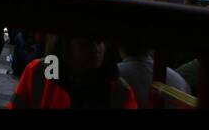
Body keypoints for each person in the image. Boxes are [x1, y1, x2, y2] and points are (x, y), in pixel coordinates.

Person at [9, 36, 137, 109]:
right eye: (86, 41)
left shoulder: (38, 73)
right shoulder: (37, 73)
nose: (95, 48)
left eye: (99, 41)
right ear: (68, 46)